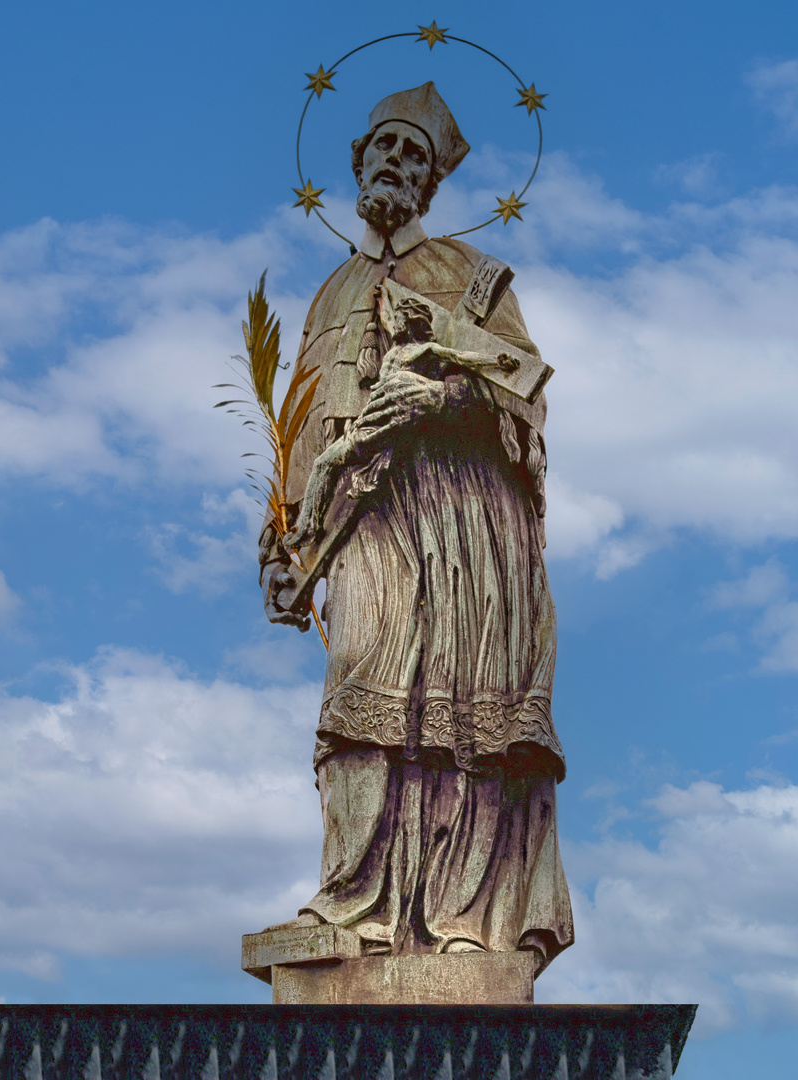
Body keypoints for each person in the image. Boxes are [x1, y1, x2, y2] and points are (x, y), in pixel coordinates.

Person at [260, 83, 573, 967]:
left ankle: (464, 916)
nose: (396, 163)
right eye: (384, 148)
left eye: (415, 155)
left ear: (433, 183)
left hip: (461, 515)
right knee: (359, 688)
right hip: (366, 520)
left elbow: (525, 391)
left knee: (466, 707)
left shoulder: (470, 277)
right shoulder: (330, 295)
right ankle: (350, 900)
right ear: (356, 164)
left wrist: (442, 392)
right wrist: (285, 549)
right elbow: (302, 423)